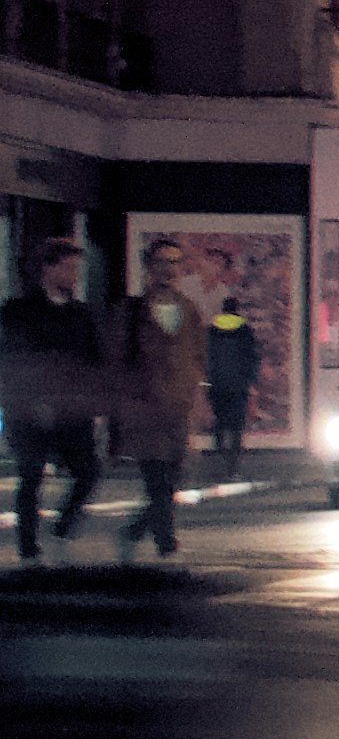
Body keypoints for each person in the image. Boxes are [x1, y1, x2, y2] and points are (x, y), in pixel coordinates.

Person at [2, 240, 102, 561]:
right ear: (48, 268)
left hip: (71, 410)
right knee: (31, 476)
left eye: (75, 268)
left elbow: (92, 361)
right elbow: (13, 359)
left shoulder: (80, 314)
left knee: (88, 471)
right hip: (30, 410)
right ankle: (28, 547)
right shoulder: (19, 312)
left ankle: (63, 526)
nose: (73, 275)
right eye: (68, 267)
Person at [108, 238, 207, 558]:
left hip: (177, 409)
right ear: (149, 266)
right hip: (146, 408)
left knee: (174, 478)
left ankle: (134, 530)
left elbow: (197, 355)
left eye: (175, 262)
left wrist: (197, 394)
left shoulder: (188, 309)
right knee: (156, 478)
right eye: (163, 261)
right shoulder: (133, 311)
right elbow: (119, 358)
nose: (170, 269)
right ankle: (166, 543)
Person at [204, 295, 260, 461]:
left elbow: (207, 356)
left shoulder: (212, 330)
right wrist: (250, 379)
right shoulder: (245, 331)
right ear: (236, 309)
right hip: (238, 384)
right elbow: (252, 357)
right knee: (236, 422)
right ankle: (234, 456)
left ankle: (219, 449)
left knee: (220, 417)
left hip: (217, 382)